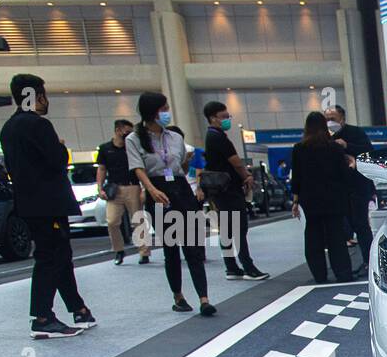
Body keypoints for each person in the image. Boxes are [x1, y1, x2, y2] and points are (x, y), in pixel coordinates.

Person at [0, 73, 95, 339]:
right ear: (37, 96)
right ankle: (42, 317)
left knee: (59, 255)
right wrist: (61, 147)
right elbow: (56, 162)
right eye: (44, 95)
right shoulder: (38, 125)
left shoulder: (8, 128)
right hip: (49, 204)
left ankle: (79, 309)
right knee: (51, 257)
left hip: (29, 204)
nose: (46, 100)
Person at [126, 91, 216, 316]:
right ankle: (179, 296)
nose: (167, 113)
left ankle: (204, 299)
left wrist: (185, 164)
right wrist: (151, 189)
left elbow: (180, 170)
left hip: (181, 190)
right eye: (163, 109)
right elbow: (138, 168)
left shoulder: (175, 137)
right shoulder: (134, 139)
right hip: (158, 191)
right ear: (152, 111)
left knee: (193, 247)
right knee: (171, 248)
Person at [197, 100, 268, 281]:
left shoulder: (211, 136)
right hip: (228, 190)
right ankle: (247, 265)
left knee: (228, 229)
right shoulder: (218, 137)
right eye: (224, 117)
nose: (227, 119)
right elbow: (235, 161)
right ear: (213, 118)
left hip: (220, 190)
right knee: (238, 228)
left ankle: (231, 266)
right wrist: (246, 176)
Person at [292, 111, 357, 283]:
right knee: (336, 238)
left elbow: (296, 177)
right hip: (334, 199)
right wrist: (350, 167)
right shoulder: (334, 148)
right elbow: (343, 175)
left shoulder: (299, 149)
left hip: (310, 200)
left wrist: (296, 201)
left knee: (313, 237)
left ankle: (319, 275)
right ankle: (343, 274)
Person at [324, 104, 374, 271]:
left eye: (333, 119)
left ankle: (369, 260)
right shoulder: (325, 138)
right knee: (342, 227)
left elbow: (369, 152)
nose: (330, 122)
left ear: (342, 118)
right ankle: (343, 267)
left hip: (358, 186)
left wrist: (347, 146)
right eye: (327, 119)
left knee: (361, 224)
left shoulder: (355, 133)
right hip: (338, 190)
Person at [95, 118, 148, 266]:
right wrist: (100, 187)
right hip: (114, 189)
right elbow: (102, 168)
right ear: (118, 130)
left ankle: (144, 252)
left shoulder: (133, 147)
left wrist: (144, 188)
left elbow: (141, 168)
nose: (130, 134)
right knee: (112, 221)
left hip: (133, 187)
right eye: (127, 131)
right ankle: (118, 249)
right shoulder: (105, 148)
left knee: (138, 220)